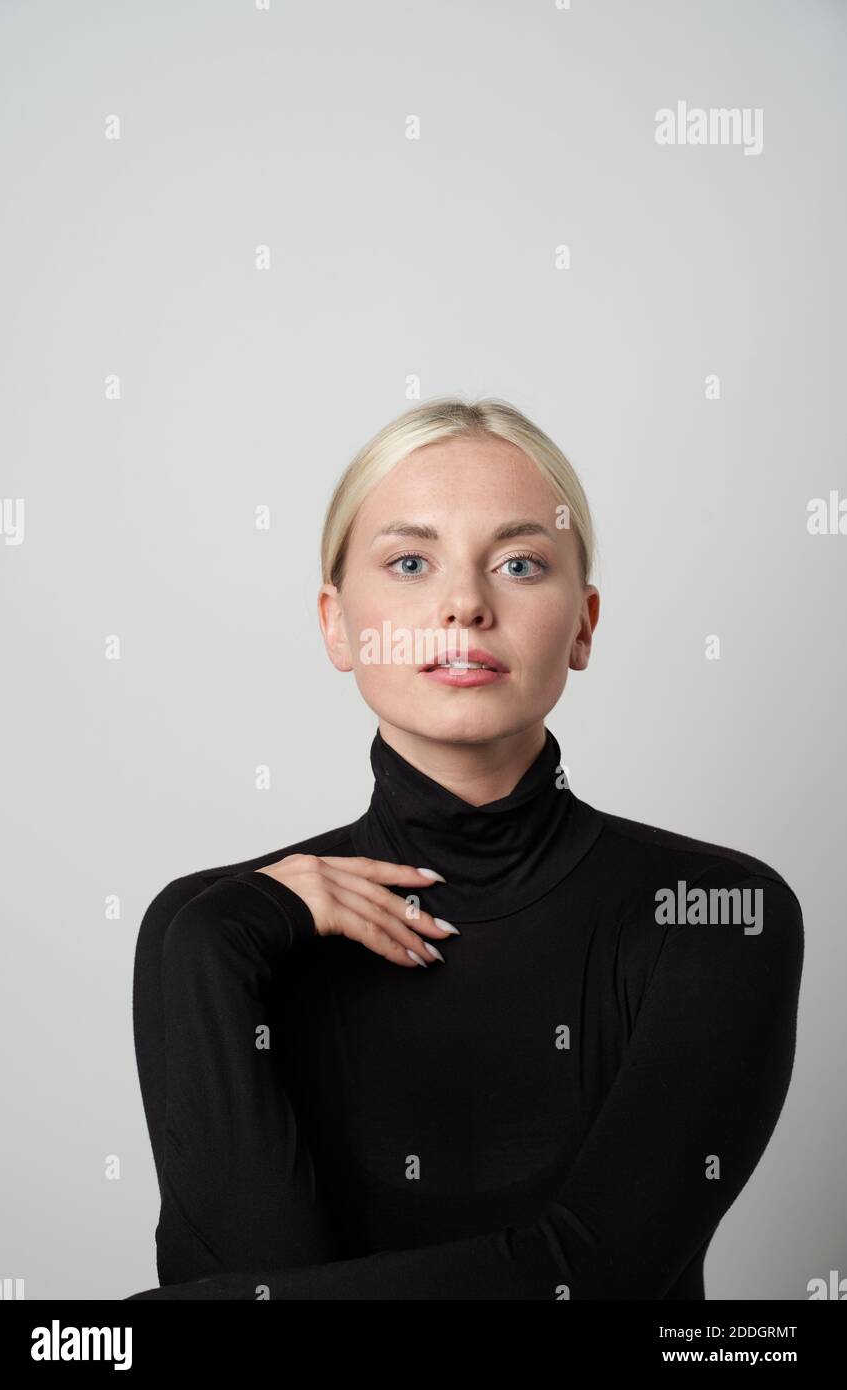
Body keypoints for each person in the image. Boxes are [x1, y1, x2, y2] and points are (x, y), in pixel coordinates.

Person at [126, 397, 803, 1300]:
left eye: (520, 563)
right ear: (336, 623)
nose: (464, 605)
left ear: (585, 624)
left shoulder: (717, 913)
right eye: (411, 562)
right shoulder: (210, 929)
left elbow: (590, 1278)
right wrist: (212, 950)